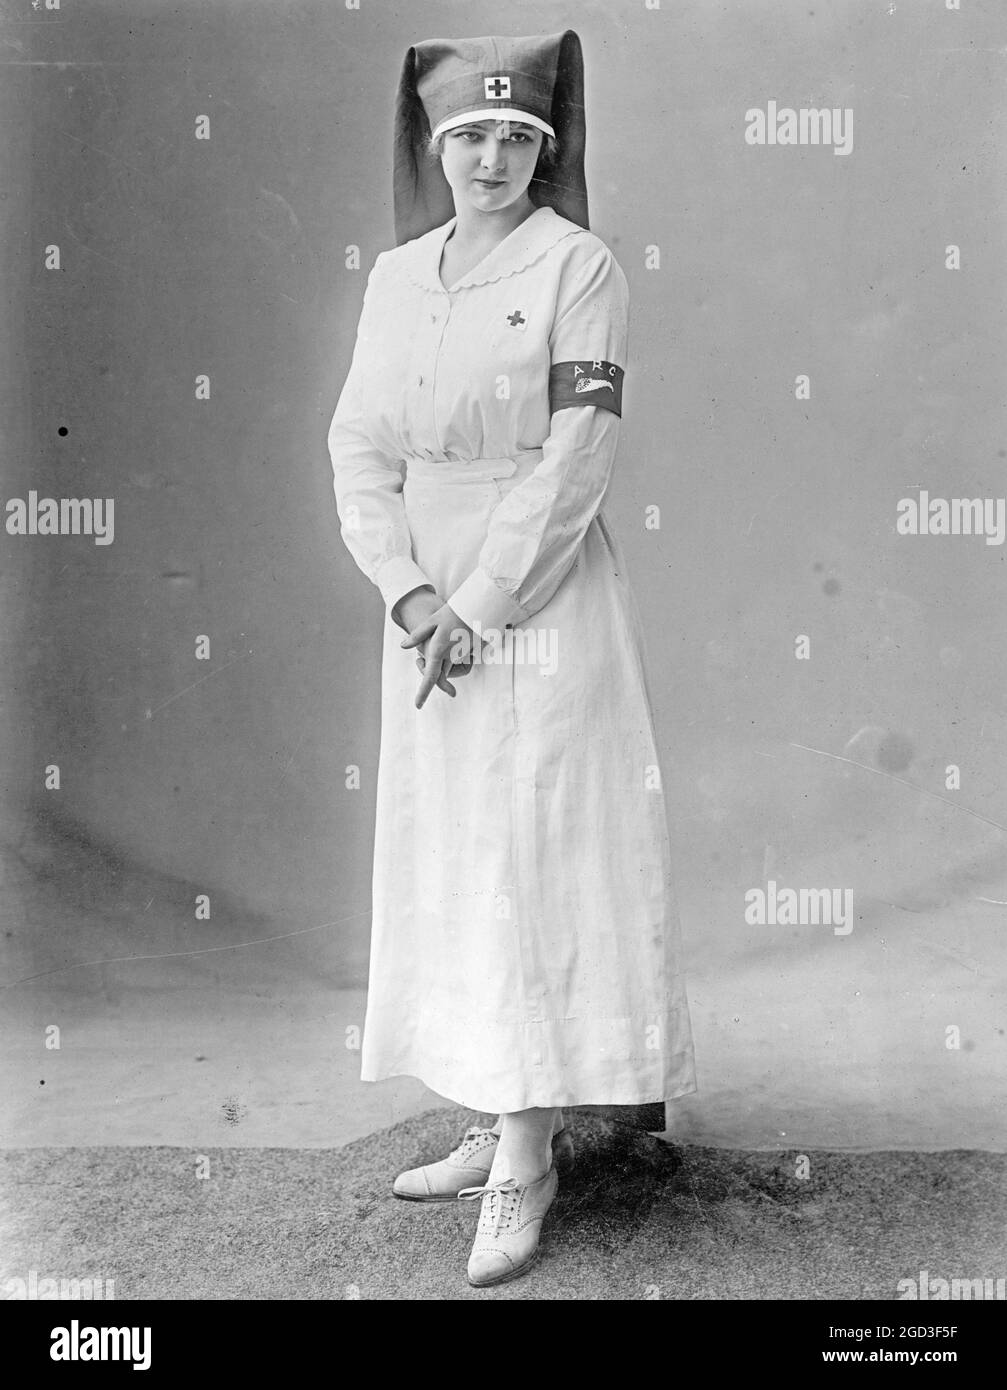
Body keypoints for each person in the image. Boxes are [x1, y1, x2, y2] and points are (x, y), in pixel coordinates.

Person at [327, 29, 696, 1289]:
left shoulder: (577, 265)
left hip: (536, 598)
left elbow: (575, 458)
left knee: (529, 849)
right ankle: (497, 1106)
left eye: (514, 137)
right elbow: (359, 443)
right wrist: (410, 589)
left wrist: (478, 603)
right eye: (466, 137)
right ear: (436, 148)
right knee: (453, 846)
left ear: (546, 147)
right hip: (427, 610)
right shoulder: (394, 275)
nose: (489, 158)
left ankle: (529, 1157)